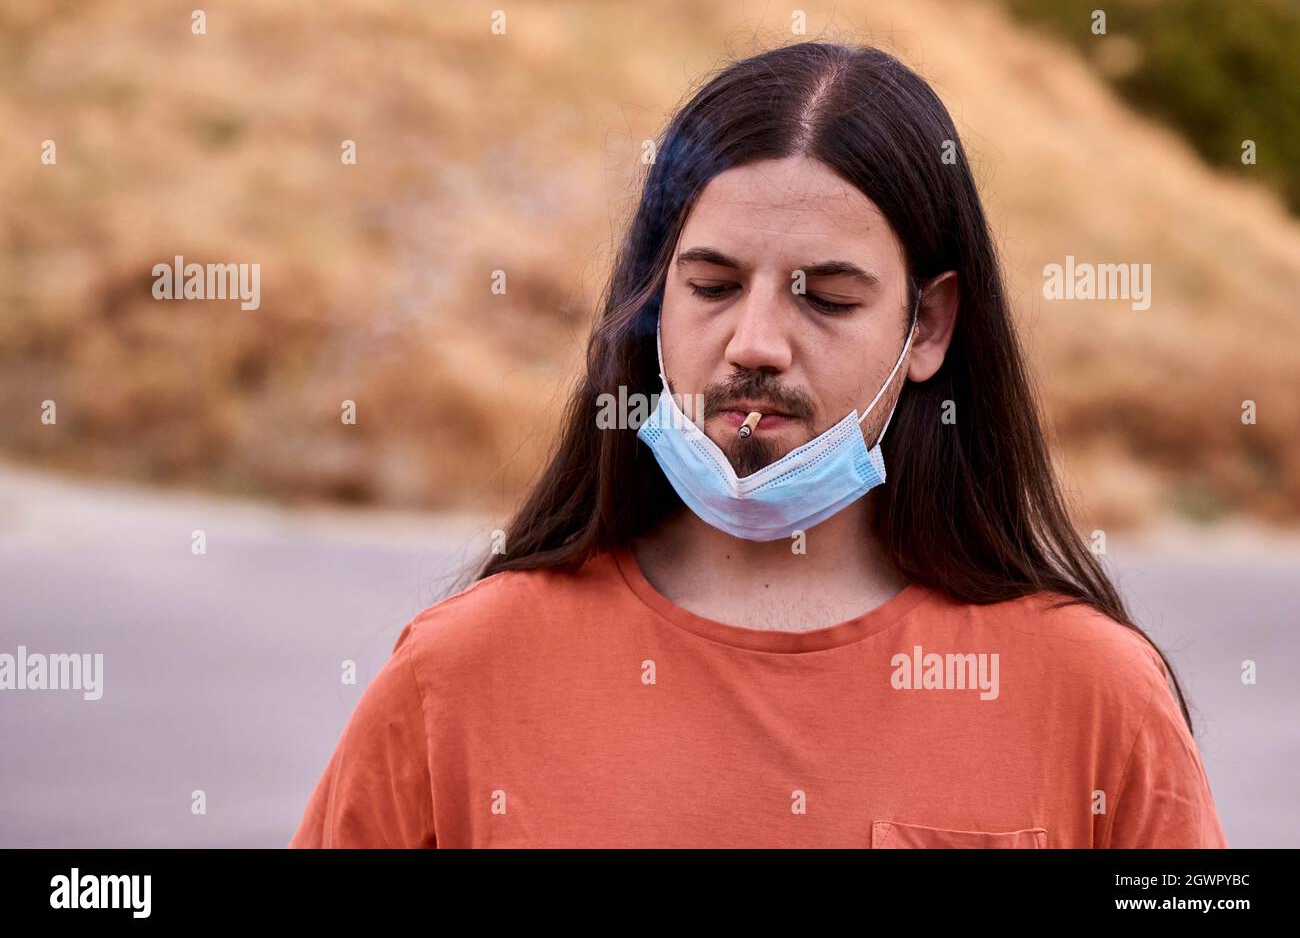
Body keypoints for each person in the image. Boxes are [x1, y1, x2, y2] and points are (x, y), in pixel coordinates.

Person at [290, 41, 1227, 848]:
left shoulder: (1091, 696)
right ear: (654, 302)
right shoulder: (460, 674)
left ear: (930, 326)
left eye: (826, 295)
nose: (755, 343)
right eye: (712, 285)